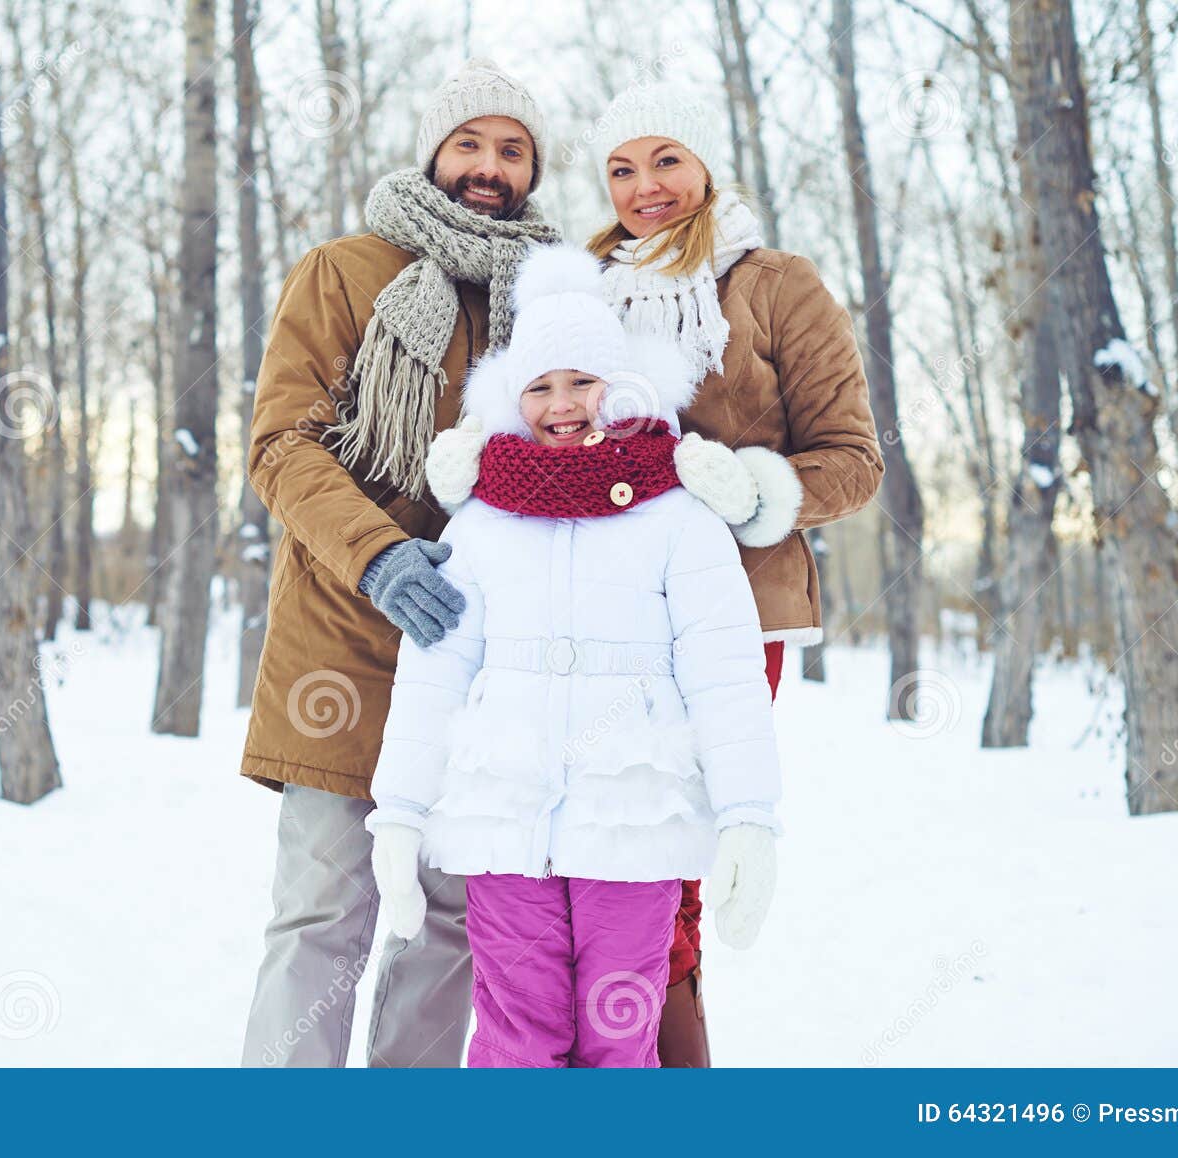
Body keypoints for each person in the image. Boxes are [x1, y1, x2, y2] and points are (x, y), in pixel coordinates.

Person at [365, 244, 783, 1067]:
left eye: (582, 382)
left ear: (621, 383)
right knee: (518, 1035)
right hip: (505, 826)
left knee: (618, 1036)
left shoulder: (679, 518)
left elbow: (726, 676)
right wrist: (400, 814)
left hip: (634, 827)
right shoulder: (481, 523)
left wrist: (748, 819)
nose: (563, 405)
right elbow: (434, 674)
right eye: (541, 386)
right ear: (512, 399)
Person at [239, 59, 560, 1068]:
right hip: (342, 634)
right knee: (323, 910)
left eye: (511, 151)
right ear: (432, 152)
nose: (488, 167)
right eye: (469, 143)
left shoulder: (555, 295)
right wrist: (377, 556)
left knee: (453, 919)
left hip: (482, 656)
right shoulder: (345, 271)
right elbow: (281, 445)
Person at [585, 83, 885, 1066]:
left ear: (706, 165)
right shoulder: (574, 283)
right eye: (620, 169)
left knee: (670, 860)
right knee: (588, 856)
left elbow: (851, 459)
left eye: (664, 159)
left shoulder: (773, 284)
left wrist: (747, 487)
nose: (644, 188)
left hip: (729, 614)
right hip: (589, 615)